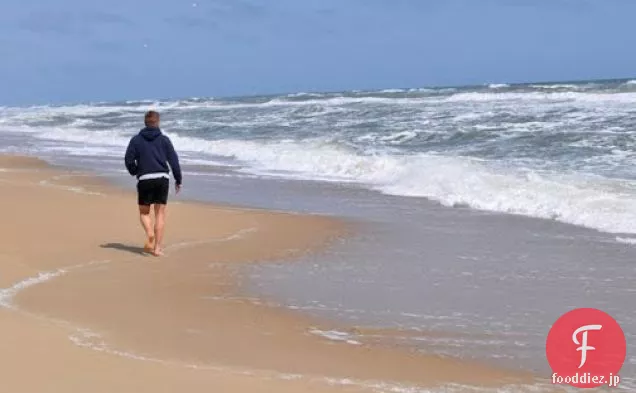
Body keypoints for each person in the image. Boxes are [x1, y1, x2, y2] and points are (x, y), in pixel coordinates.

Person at [124, 111, 182, 256]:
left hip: (144, 178)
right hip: (162, 178)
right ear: (157, 122)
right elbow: (174, 161)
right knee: (160, 214)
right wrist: (178, 179)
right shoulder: (164, 140)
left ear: (145, 122)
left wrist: (135, 171)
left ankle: (150, 233)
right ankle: (157, 248)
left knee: (144, 213)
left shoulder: (136, 140)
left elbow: (128, 159)